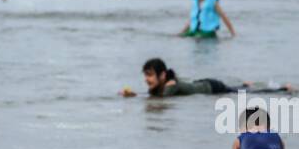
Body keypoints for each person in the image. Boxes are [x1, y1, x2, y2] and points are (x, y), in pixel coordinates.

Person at [120, 58, 288, 98]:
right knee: (239, 89)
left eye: (149, 75)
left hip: (212, 87)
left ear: (162, 75)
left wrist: (135, 96)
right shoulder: (162, 86)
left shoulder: (171, 85)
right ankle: (244, 83)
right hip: (205, 84)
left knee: (248, 93)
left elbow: (160, 99)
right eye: (145, 75)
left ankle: (282, 89)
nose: (146, 79)